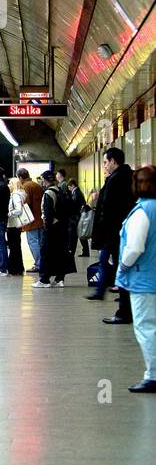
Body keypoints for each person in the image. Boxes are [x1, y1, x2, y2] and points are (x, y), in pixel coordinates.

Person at [117, 166, 156, 393]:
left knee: (146, 326)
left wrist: (122, 267)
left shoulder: (142, 212)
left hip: (144, 280)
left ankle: (152, 376)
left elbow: (134, 248)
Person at [89, 147, 135, 325]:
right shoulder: (124, 177)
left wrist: (103, 233)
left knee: (121, 268)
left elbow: (108, 210)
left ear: (114, 161)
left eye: (106, 162)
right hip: (118, 233)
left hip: (115, 234)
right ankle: (123, 303)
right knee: (119, 267)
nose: (104, 166)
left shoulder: (116, 180)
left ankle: (124, 311)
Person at [32, 170, 76, 288]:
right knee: (60, 252)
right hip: (63, 227)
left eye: (40, 179)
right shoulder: (60, 190)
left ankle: (44, 279)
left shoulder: (48, 193)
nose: (40, 182)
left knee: (46, 252)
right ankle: (59, 278)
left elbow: (48, 214)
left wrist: (47, 227)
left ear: (45, 180)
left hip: (52, 228)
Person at [18, 168, 44, 273]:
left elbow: (26, 204)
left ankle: (39, 264)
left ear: (20, 177)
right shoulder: (37, 185)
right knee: (40, 242)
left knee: (33, 242)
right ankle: (42, 263)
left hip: (31, 221)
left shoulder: (25, 187)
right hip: (40, 219)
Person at [56, 169, 80, 261]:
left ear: (60, 175)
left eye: (57, 174)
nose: (56, 176)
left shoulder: (63, 185)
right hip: (71, 216)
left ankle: (69, 251)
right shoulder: (63, 185)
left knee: (71, 236)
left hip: (70, 216)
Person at [5, 177, 26, 276]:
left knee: (14, 247)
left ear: (14, 185)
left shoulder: (15, 195)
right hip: (15, 225)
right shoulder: (20, 194)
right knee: (16, 247)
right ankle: (17, 268)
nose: (8, 185)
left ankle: (14, 268)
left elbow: (18, 210)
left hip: (13, 224)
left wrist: (8, 214)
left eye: (10, 183)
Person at [73, 181, 92, 257]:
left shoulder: (77, 193)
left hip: (79, 215)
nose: (69, 188)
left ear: (72, 185)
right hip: (80, 214)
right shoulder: (78, 192)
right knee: (81, 234)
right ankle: (85, 251)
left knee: (81, 234)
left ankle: (85, 251)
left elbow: (76, 204)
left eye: (69, 186)